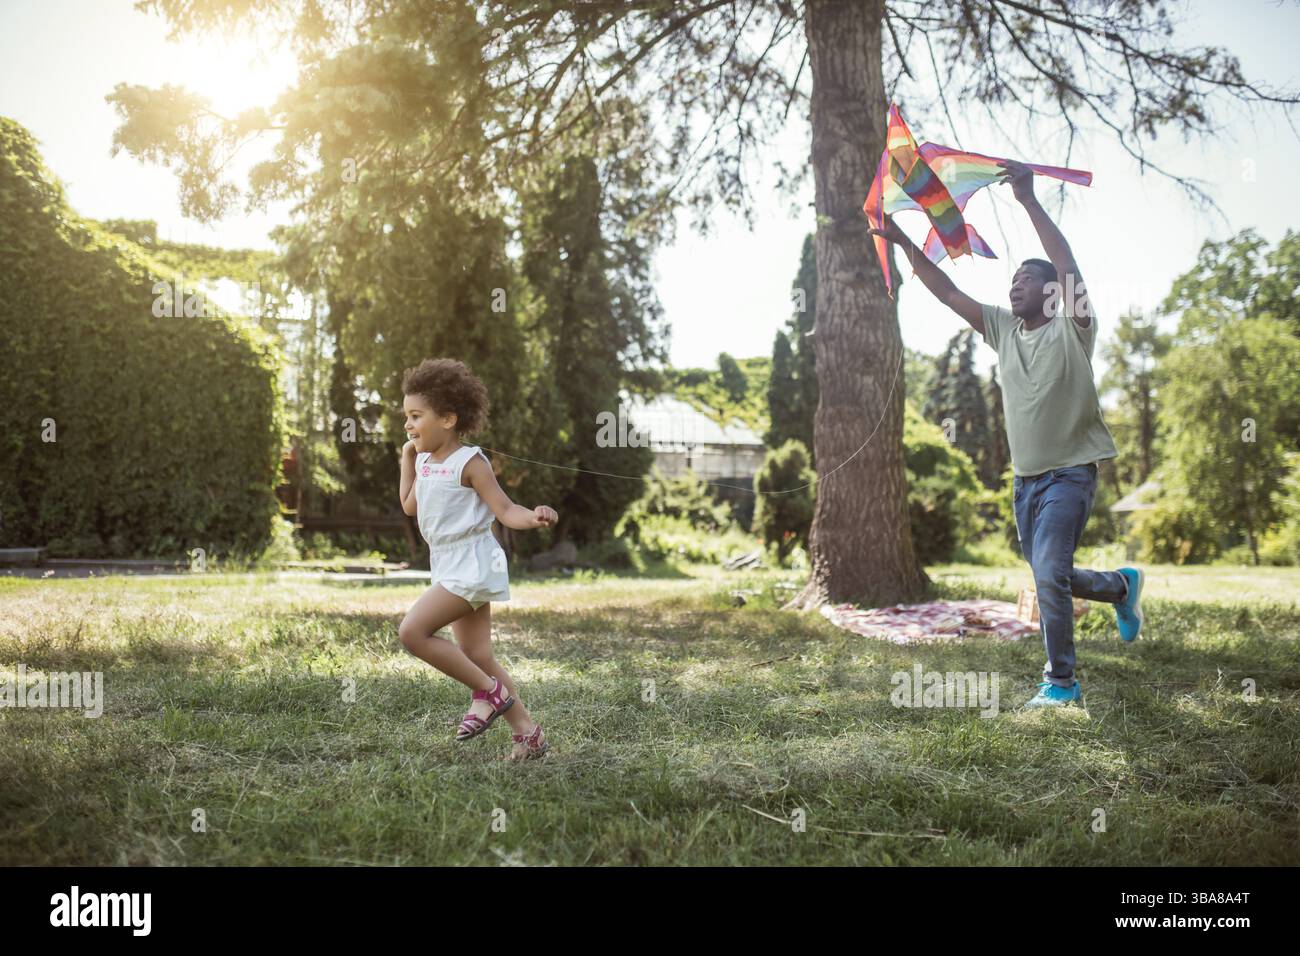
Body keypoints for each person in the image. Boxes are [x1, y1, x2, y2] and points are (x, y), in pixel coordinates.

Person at [869, 160, 1144, 709]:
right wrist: (900, 240)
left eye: (1026, 278)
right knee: (1050, 572)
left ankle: (1061, 682)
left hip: (1070, 474)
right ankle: (1119, 586)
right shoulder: (1002, 329)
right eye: (1013, 278)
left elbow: (1068, 265)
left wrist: (1028, 200)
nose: (1015, 284)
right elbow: (947, 292)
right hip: (1026, 483)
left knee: (1047, 574)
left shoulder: (1074, 327)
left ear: (1053, 293)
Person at [397, 357, 557, 757]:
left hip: (472, 561)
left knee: (412, 632)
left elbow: (505, 509)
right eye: (406, 417)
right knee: (478, 655)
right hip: (447, 562)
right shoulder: (424, 461)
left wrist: (534, 517)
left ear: (448, 419)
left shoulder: (470, 462)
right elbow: (410, 506)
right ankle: (528, 734)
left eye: (416, 416)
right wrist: (407, 461)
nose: (408, 425)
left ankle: (488, 692)